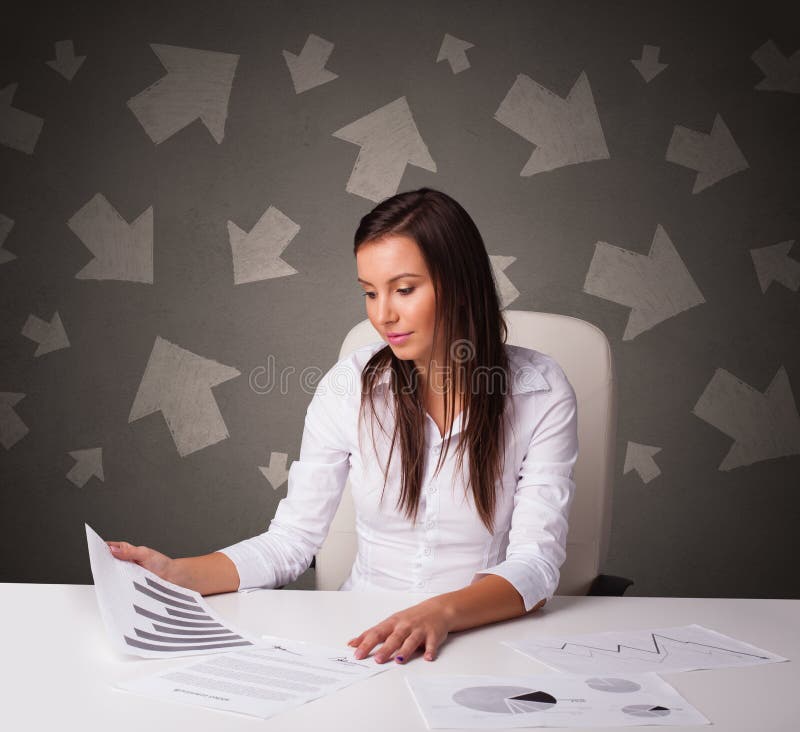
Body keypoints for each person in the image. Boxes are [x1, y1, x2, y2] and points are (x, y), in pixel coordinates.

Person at [108, 187, 578, 667]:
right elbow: (291, 540)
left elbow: (535, 569)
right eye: (370, 293)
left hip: (476, 639)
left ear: (459, 283)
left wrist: (439, 613)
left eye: (404, 289)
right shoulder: (348, 387)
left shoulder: (539, 392)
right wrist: (175, 574)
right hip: (362, 641)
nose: (382, 315)